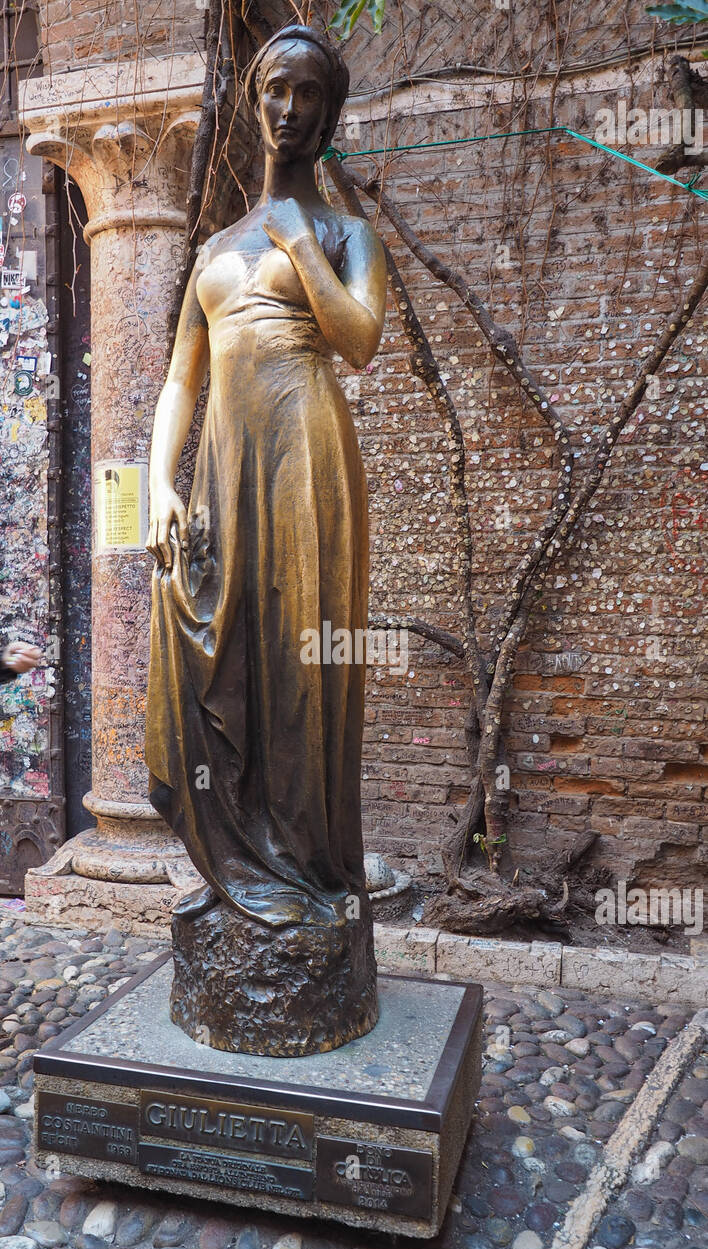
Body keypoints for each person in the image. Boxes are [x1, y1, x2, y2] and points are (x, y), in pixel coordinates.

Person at [145, 25, 387, 935]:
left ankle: (311, 868)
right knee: (212, 646)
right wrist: (162, 484)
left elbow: (359, 343)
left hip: (307, 460)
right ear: (255, 102)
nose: (289, 111)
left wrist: (304, 246)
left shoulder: (342, 230)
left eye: (309, 96)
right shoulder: (213, 251)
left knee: (302, 660)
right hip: (222, 468)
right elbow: (180, 381)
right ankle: (235, 856)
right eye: (276, 92)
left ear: (329, 115)